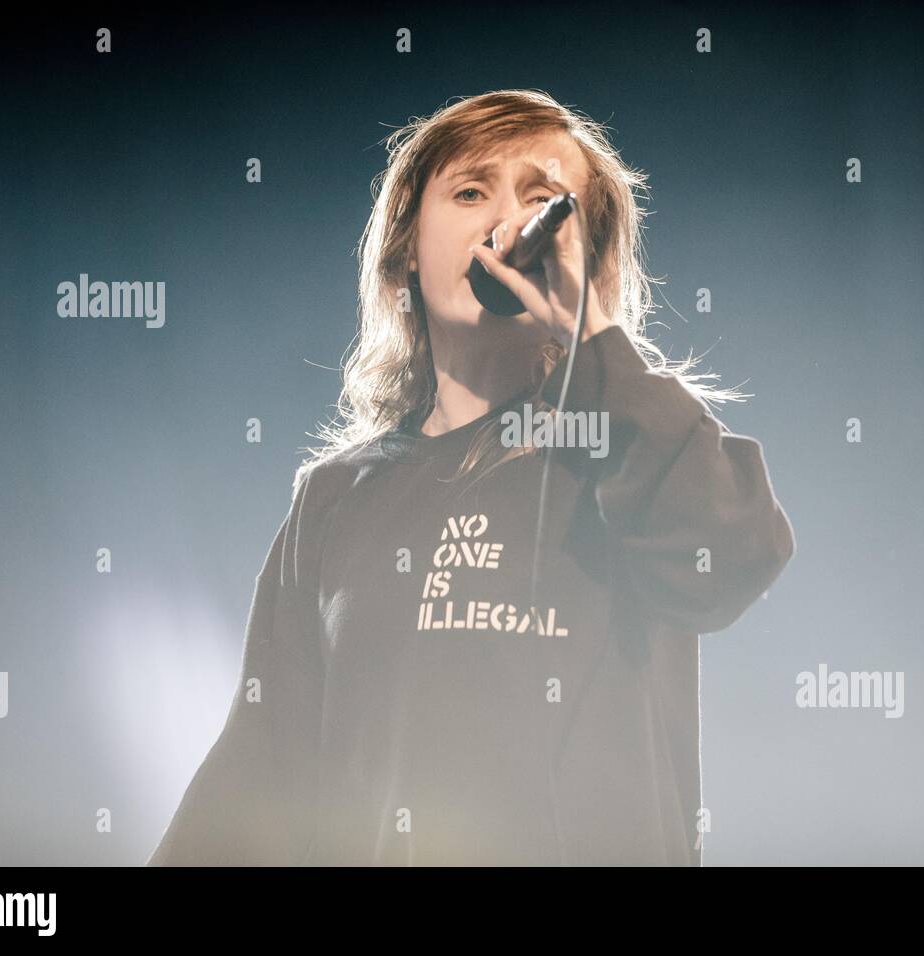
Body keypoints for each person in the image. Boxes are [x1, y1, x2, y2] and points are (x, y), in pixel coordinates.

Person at [147, 89, 796, 866]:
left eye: (544, 201)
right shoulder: (336, 499)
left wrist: (592, 338)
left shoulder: (627, 448)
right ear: (405, 254)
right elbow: (260, 775)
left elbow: (732, 556)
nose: (508, 224)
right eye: (469, 191)